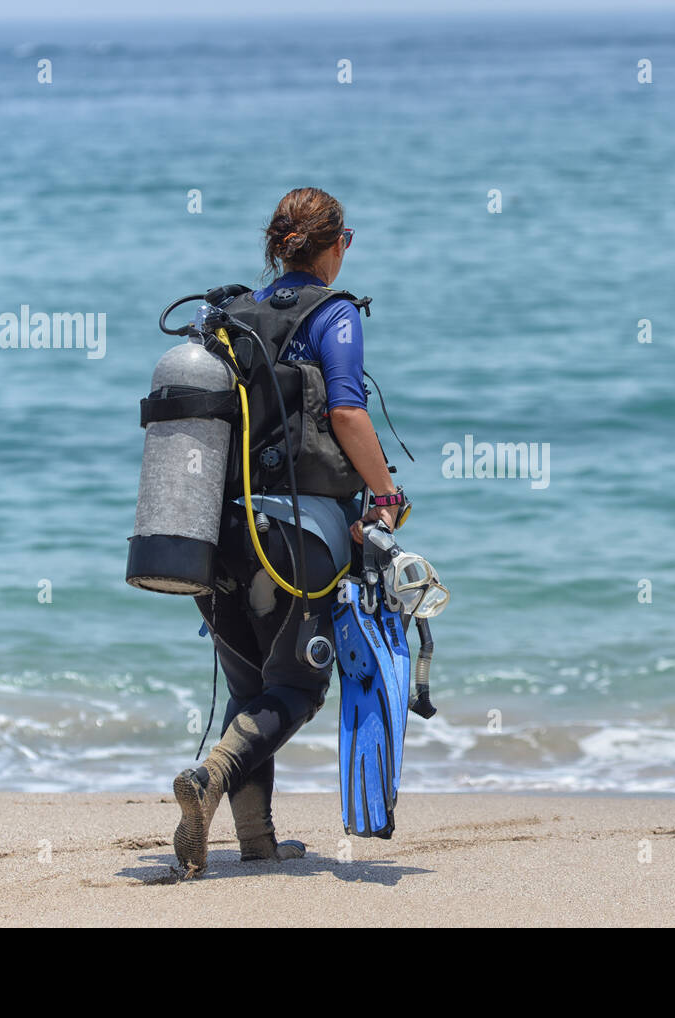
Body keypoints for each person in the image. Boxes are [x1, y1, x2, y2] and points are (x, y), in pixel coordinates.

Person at [171, 187, 406, 876]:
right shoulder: (333, 314)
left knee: (250, 691)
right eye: (347, 241)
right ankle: (211, 777)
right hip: (296, 536)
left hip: (213, 533)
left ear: (280, 246)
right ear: (335, 245)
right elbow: (346, 413)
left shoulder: (230, 318)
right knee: (299, 689)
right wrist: (387, 493)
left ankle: (255, 841)